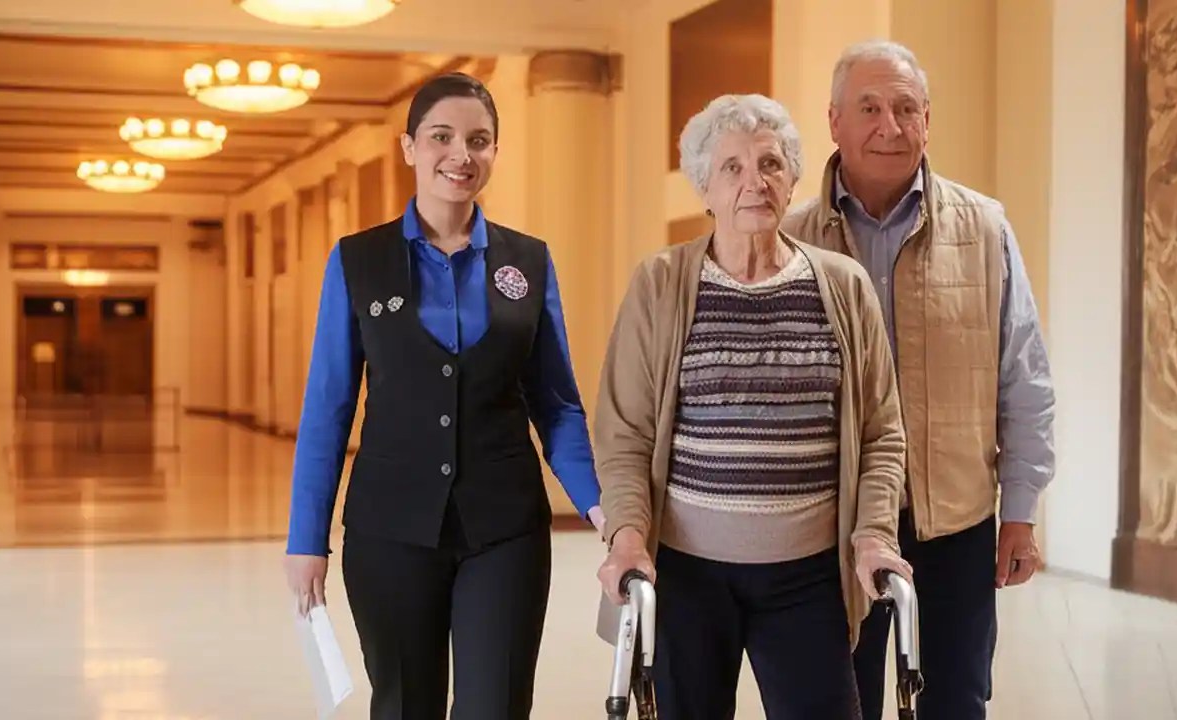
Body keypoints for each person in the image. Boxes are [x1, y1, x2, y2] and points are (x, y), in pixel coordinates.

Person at [282, 71, 606, 720]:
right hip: (389, 529)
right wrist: (305, 538)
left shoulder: (528, 262)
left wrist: (605, 511)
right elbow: (328, 407)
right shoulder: (358, 261)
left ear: (493, 153)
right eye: (442, 137)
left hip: (505, 530)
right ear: (409, 148)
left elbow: (558, 404)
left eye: (479, 140)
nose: (461, 154)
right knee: (405, 705)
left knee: (497, 705)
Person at [594, 93, 912, 720]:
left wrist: (874, 533)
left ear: (793, 179)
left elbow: (881, 435)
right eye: (731, 168)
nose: (753, 182)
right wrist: (628, 537)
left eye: (770, 164)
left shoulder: (842, 286)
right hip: (685, 575)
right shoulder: (660, 283)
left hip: (808, 577)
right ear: (704, 188)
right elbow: (625, 434)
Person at [781, 40, 1057, 720]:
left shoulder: (985, 228)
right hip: (830, 523)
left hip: (954, 522)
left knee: (956, 702)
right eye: (869, 108)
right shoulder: (789, 241)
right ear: (835, 122)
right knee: (832, 702)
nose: (890, 126)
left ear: (928, 121)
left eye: (907, 109)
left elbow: (1024, 375)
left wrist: (1019, 510)